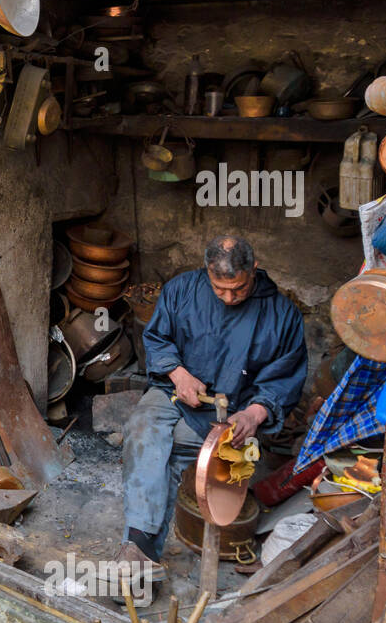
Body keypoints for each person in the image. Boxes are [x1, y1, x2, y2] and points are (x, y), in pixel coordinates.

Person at [117, 236, 307, 579]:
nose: (230, 297)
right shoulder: (181, 291)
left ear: (254, 270)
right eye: (220, 289)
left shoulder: (282, 314)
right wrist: (178, 373)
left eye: (239, 288)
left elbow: (284, 378)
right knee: (142, 429)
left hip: (229, 412)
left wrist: (255, 413)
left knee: (172, 452)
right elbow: (158, 339)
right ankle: (138, 548)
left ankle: (140, 549)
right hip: (174, 391)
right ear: (207, 273)